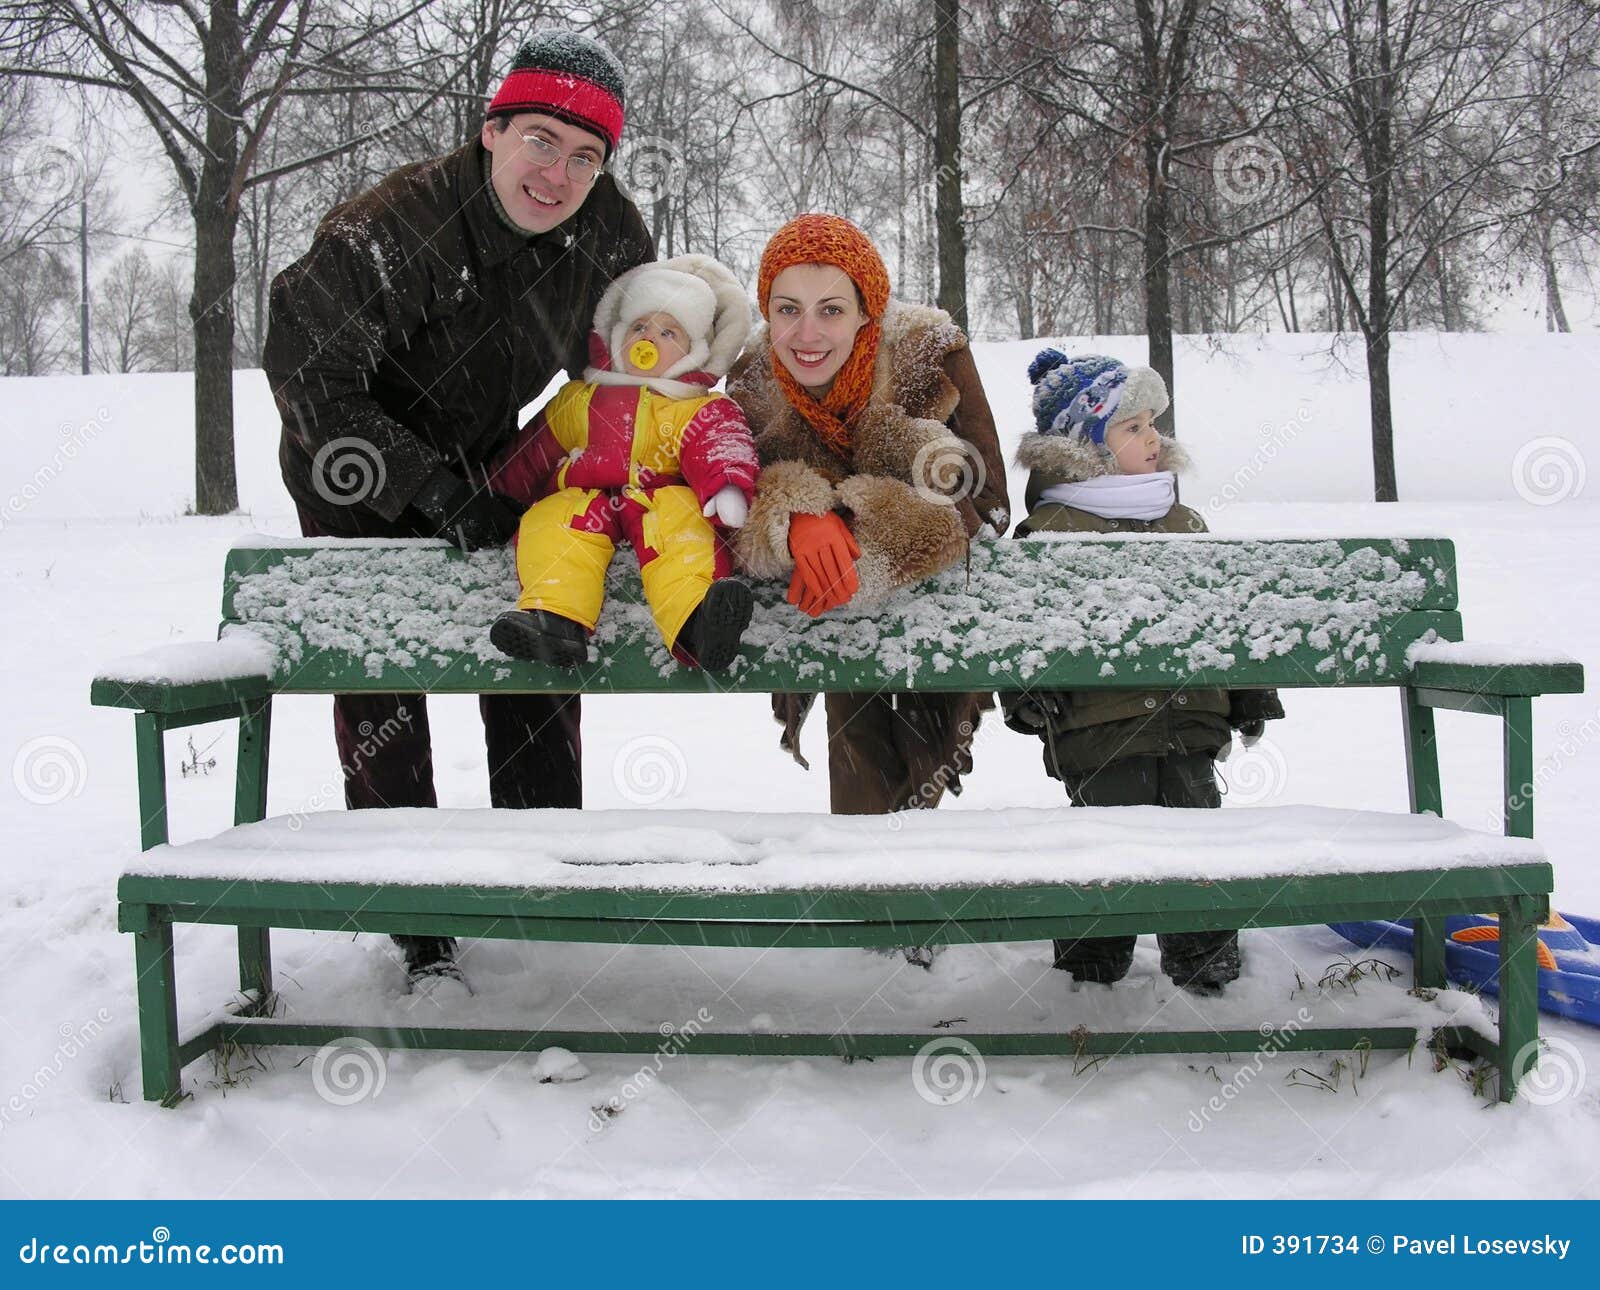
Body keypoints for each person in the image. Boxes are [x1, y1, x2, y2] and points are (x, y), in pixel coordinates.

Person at [262, 30, 653, 988]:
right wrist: (426, 491)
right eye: (540, 142)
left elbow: (636, 364)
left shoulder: (609, 235)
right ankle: (413, 907)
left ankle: (540, 872)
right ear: (493, 130)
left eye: (586, 156)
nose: (558, 175)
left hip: (490, 455)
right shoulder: (392, 228)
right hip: (350, 463)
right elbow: (307, 369)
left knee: (536, 635)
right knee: (383, 676)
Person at [727, 214, 1011, 966]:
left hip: (929, 616)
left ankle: (903, 941)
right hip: (823, 621)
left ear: (866, 311)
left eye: (831, 309)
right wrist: (794, 516)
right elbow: (724, 490)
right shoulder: (752, 377)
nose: (807, 333)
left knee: (920, 760)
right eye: (787, 308)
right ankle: (872, 943)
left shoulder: (929, 354)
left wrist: (860, 528)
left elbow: (986, 501)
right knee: (856, 755)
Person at [1001, 350, 1285, 994]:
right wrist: (1026, 695)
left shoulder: (1184, 523)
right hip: (1100, 731)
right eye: (1133, 427)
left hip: (1193, 721)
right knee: (1106, 847)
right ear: (1085, 447)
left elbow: (1224, 618)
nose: (1154, 437)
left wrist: (1249, 692)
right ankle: (1089, 970)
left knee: (1198, 841)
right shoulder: (1051, 531)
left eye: (1153, 423)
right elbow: (1018, 631)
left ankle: (1207, 966)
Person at [488, 255, 759, 673]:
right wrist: (497, 495)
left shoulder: (695, 406)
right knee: (552, 524)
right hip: (584, 497)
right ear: (617, 335)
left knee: (683, 532)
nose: (648, 338)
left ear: (695, 352)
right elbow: (535, 451)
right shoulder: (580, 398)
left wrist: (727, 484)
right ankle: (554, 619)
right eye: (639, 326)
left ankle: (698, 622)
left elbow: (721, 441)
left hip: (659, 499)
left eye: (668, 332)